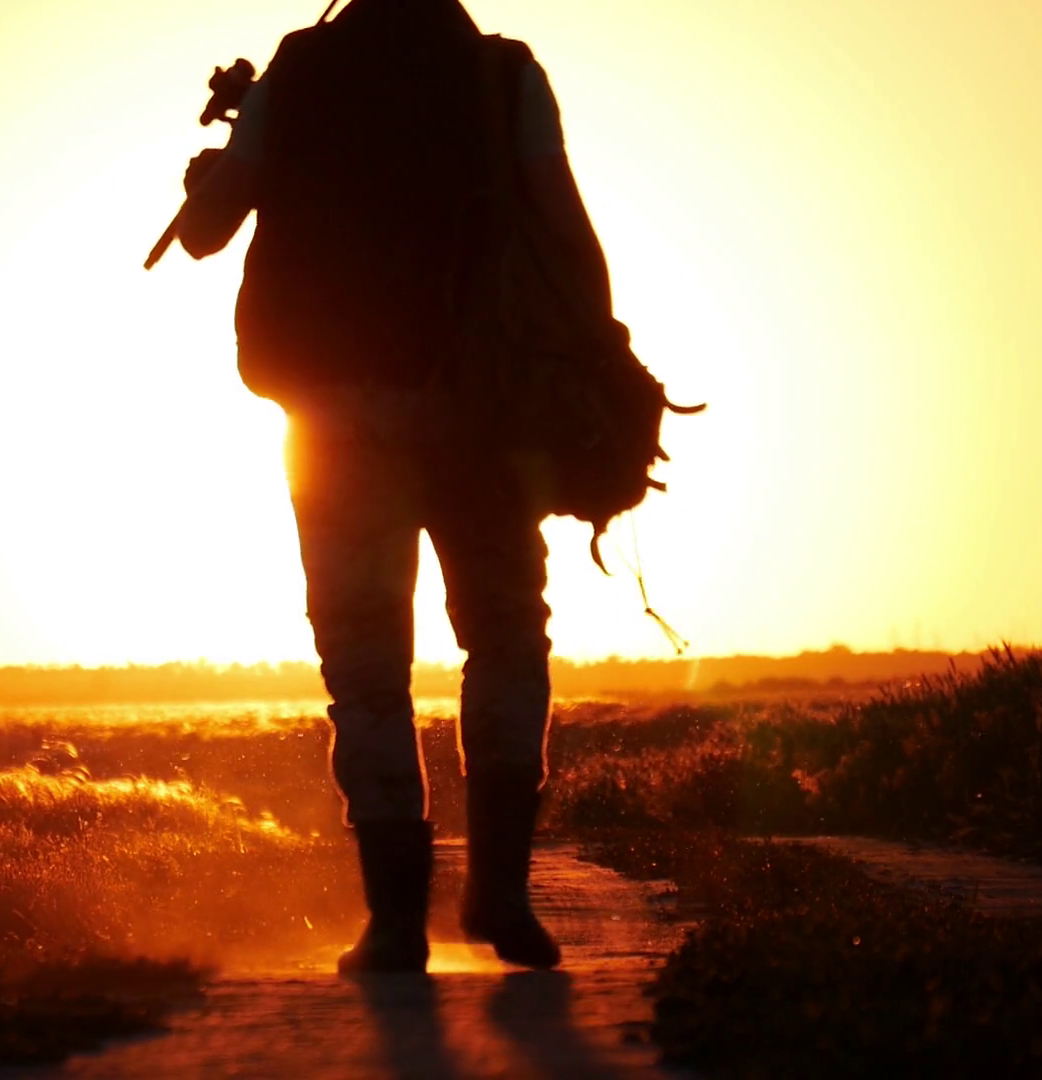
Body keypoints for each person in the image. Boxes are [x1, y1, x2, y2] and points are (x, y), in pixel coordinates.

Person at [174, 0, 612, 975]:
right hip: (482, 409)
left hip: (332, 415)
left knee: (366, 662)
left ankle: (396, 926)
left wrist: (209, 174)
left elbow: (205, 231)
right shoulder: (508, 75)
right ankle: (499, 892)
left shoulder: (296, 69)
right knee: (505, 634)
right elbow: (567, 232)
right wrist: (599, 363)